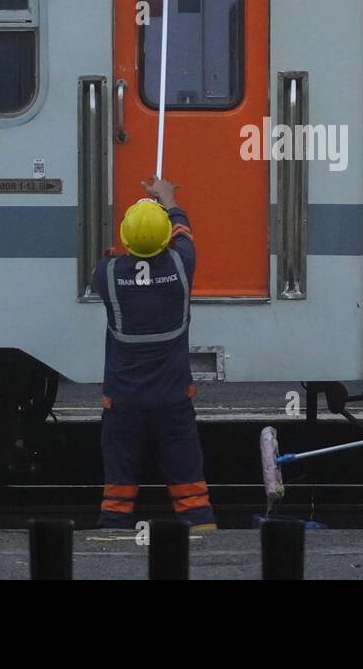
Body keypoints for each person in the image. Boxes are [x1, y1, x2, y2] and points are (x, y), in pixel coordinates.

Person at [91, 177, 217, 530]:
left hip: (122, 403)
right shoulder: (182, 267)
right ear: (167, 241)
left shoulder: (107, 274)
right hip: (173, 400)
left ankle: (112, 534)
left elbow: (101, 268)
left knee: (118, 487)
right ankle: (202, 531)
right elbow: (184, 233)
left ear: (126, 240)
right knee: (189, 484)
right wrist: (169, 199)